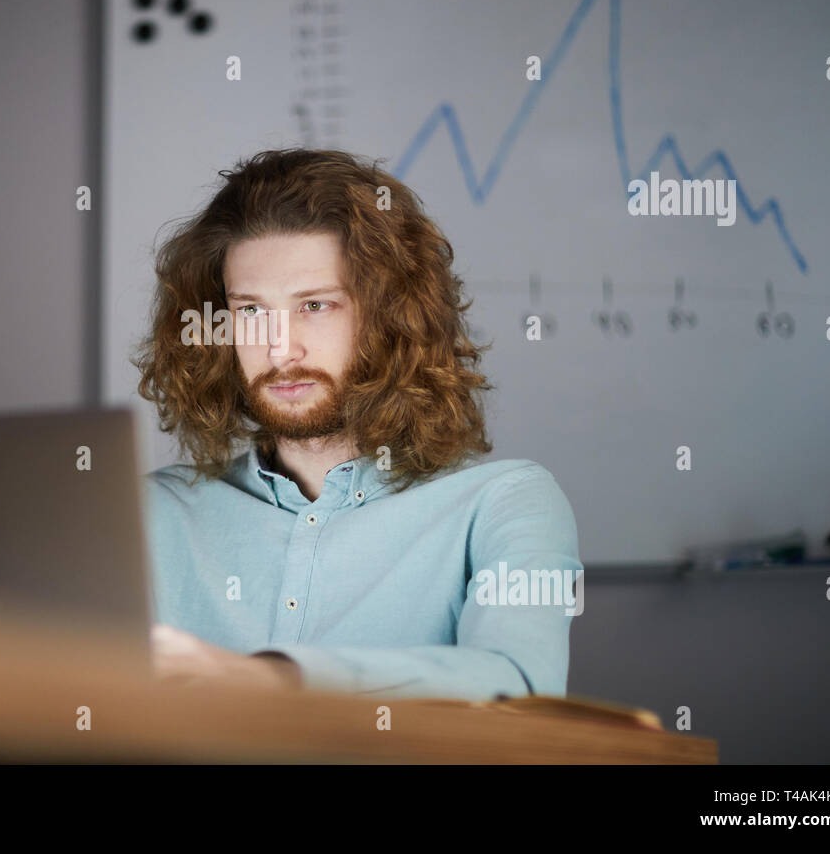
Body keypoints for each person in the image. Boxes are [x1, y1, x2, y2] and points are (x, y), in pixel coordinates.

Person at [132, 148, 581, 698]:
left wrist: (271, 679)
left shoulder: (504, 501)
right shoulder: (147, 515)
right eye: (249, 310)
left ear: (392, 317)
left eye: (315, 306)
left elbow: (519, 685)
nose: (280, 348)